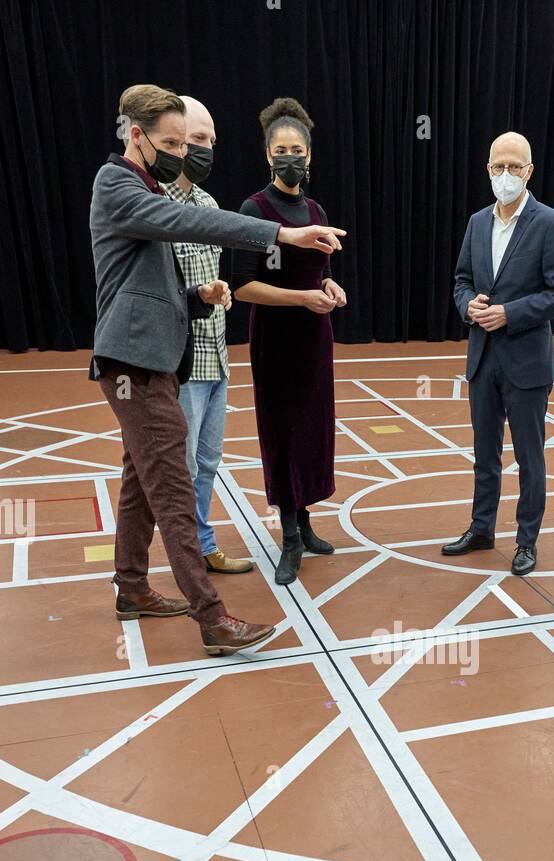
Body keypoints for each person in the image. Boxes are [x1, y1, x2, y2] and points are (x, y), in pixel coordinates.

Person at [89, 84, 345, 653]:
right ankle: (213, 618)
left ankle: (131, 587)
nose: (183, 153)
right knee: (175, 489)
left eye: (191, 141)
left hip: (154, 355)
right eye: (172, 142)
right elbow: (199, 227)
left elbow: (141, 290)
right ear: (137, 135)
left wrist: (198, 295)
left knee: (140, 481)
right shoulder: (119, 184)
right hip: (133, 362)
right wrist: (281, 232)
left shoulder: (143, 188)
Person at [446, 131, 554, 576]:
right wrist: (470, 306)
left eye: (514, 167)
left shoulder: (551, 224)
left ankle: (526, 539)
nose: (506, 175)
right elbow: (462, 280)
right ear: (487, 170)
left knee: (528, 455)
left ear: (529, 171)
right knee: (485, 453)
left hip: (526, 361)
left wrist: (510, 313)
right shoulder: (477, 222)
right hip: (482, 358)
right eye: (498, 166)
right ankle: (481, 528)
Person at [232, 97, 345, 587]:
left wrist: (329, 288)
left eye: (297, 149)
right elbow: (243, 287)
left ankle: (306, 522)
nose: (290, 157)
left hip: (314, 339)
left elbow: (320, 274)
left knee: (313, 429)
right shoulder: (253, 211)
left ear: (310, 156)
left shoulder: (316, 209)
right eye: (281, 149)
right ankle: (289, 536)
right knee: (282, 430)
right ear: (267, 155)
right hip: (275, 340)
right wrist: (302, 298)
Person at [161, 95, 252, 576]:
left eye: (211, 142)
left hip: (216, 357)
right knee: (181, 467)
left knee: (209, 461)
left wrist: (218, 293)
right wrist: (199, 292)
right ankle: (188, 555)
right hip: (180, 362)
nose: (206, 150)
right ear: (171, 139)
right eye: (197, 139)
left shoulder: (207, 203)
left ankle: (200, 545)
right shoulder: (152, 204)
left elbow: (210, 277)